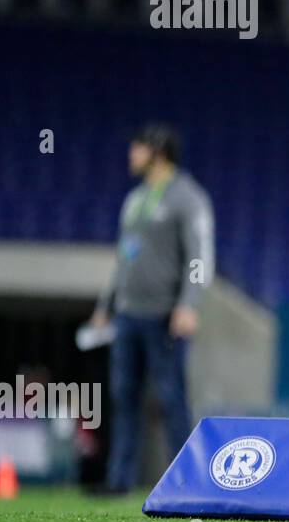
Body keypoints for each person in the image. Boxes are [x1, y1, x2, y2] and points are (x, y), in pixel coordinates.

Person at [90, 124, 215, 493]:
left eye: (138, 148)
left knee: (171, 399)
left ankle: (185, 482)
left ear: (157, 152)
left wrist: (189, 304)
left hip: (163, 315)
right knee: (123, 397)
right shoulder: (135, 200)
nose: (131, 154)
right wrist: (106, 304)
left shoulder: (188, 197)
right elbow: (125, 257)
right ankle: (119, 480)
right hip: (128, 314)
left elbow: (200, 256)